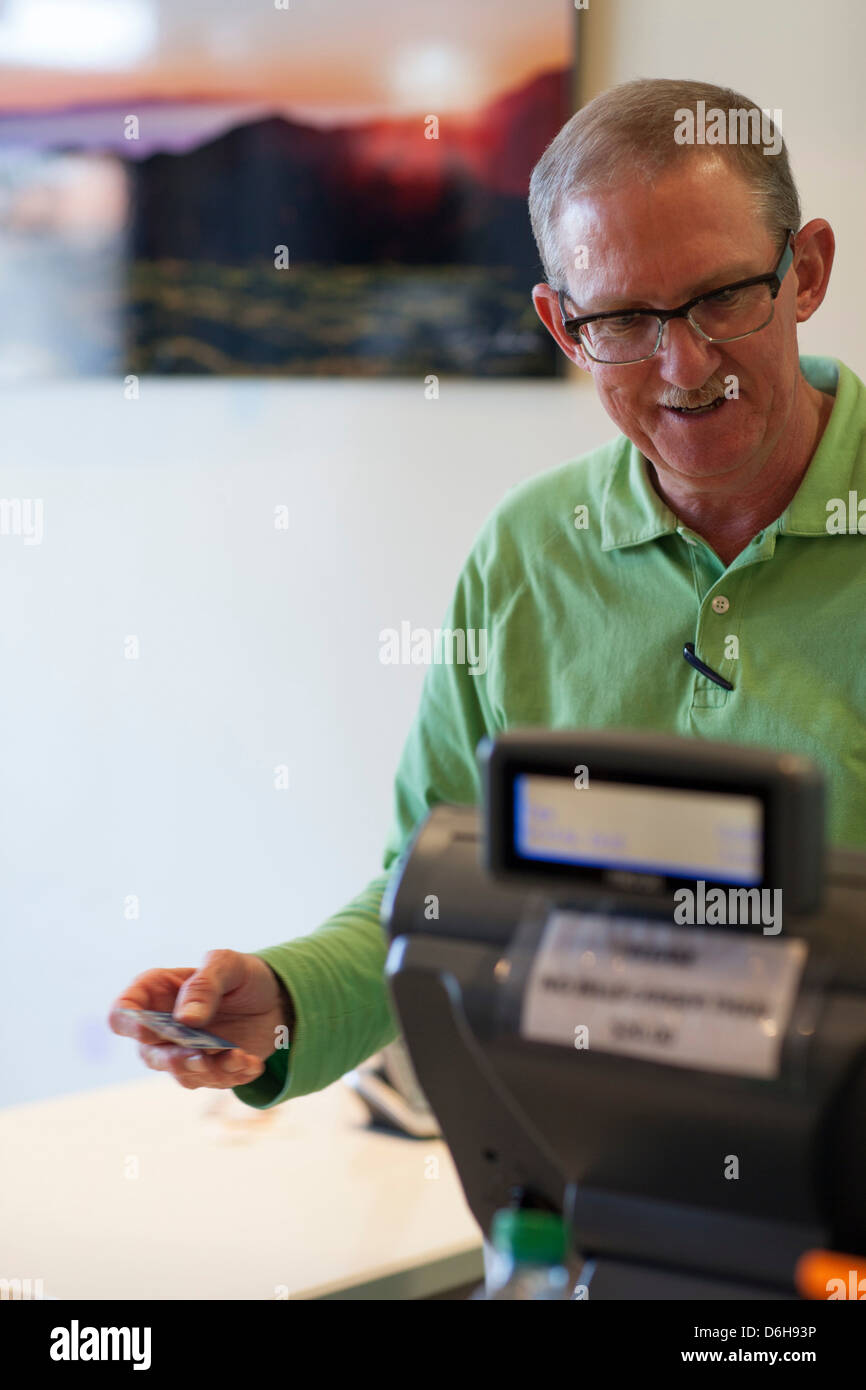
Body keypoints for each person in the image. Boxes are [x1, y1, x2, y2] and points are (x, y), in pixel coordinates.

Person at [109, 77, 865, 1109]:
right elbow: (436, 886)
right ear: (561, 326)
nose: (684, 364)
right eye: (624, 320)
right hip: (595, 1188)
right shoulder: (526, 550)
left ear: (805, 270)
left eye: (721, 297)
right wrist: (285, 1000)